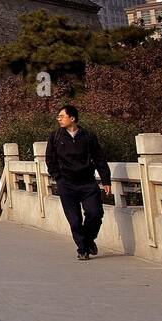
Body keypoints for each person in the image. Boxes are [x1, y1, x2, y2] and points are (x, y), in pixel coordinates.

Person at [44, 104, 111, 260]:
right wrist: (57, 177)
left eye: (62, 116)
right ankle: (82, 249)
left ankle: (88, 240)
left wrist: (106, 180)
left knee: (95, 213)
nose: (59, 119)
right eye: (58, 116)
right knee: (74, 220)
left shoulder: (88, 136)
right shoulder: (55, 136)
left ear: (72, 118)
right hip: (66, 183)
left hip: (87, 182)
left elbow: (99, 158)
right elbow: (50, 159)